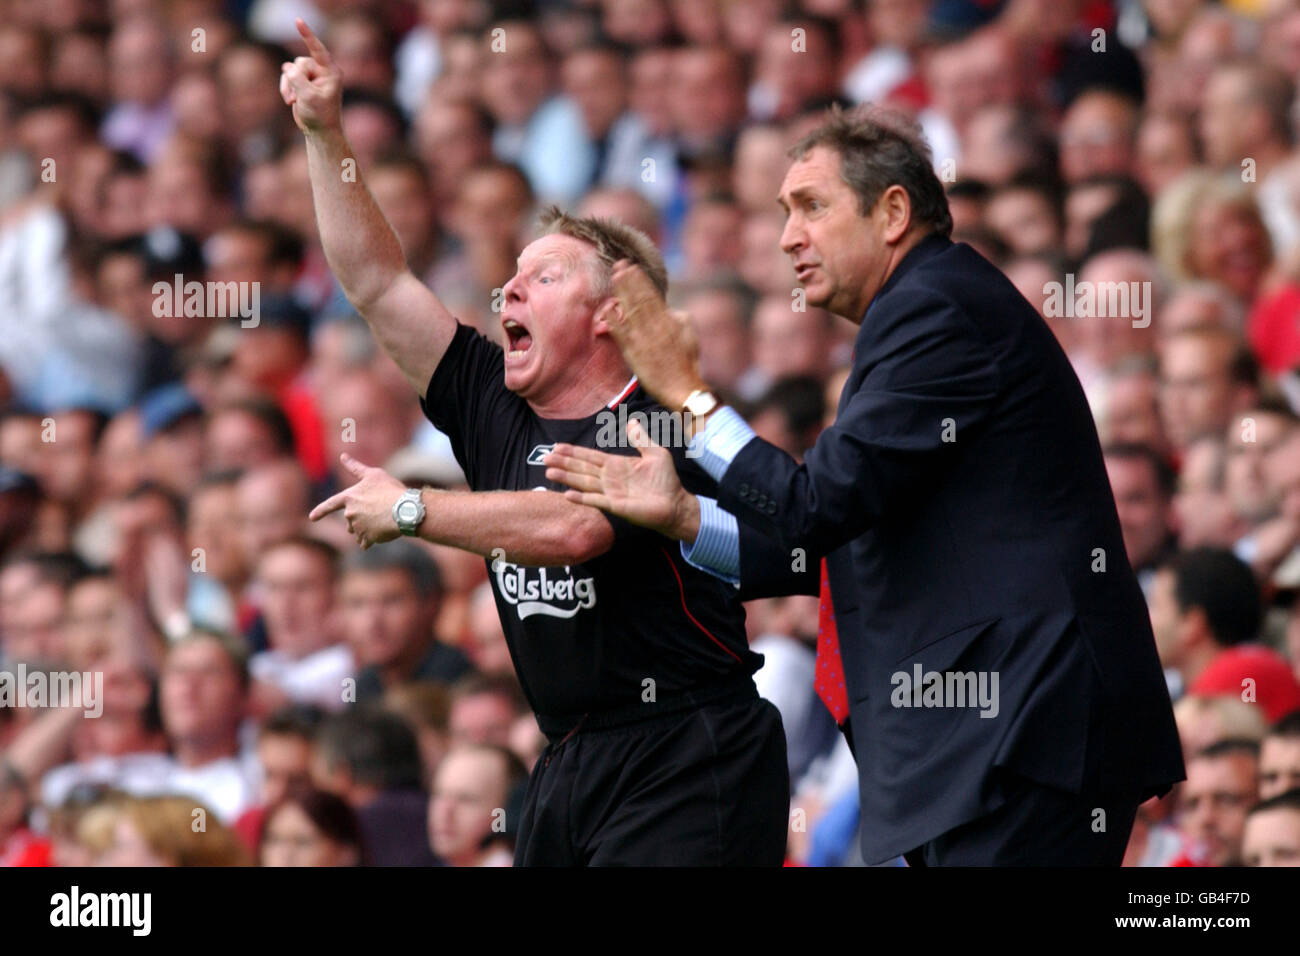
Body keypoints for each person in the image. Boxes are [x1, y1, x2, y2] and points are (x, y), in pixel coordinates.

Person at [545, 104, 1185, 866]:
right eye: (783, 213)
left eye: (811, 206)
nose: (788, 236)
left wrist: (689, 395)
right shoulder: (916, 316)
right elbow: (827, 547)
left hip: (1020, 729)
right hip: (987, 742)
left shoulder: (935, 307)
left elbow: (813, 506)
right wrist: (688, 519)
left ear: (892, 212)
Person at [282, 19, 788, 866]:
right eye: (511, 273)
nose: (506, 287)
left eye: (541, 277)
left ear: (608, 314)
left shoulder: (659, 413)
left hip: (688, 745)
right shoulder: (489, 397)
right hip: (567, 754)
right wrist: (326, 134)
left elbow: (574, 530)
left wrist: (412, 506)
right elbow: (375, 279)